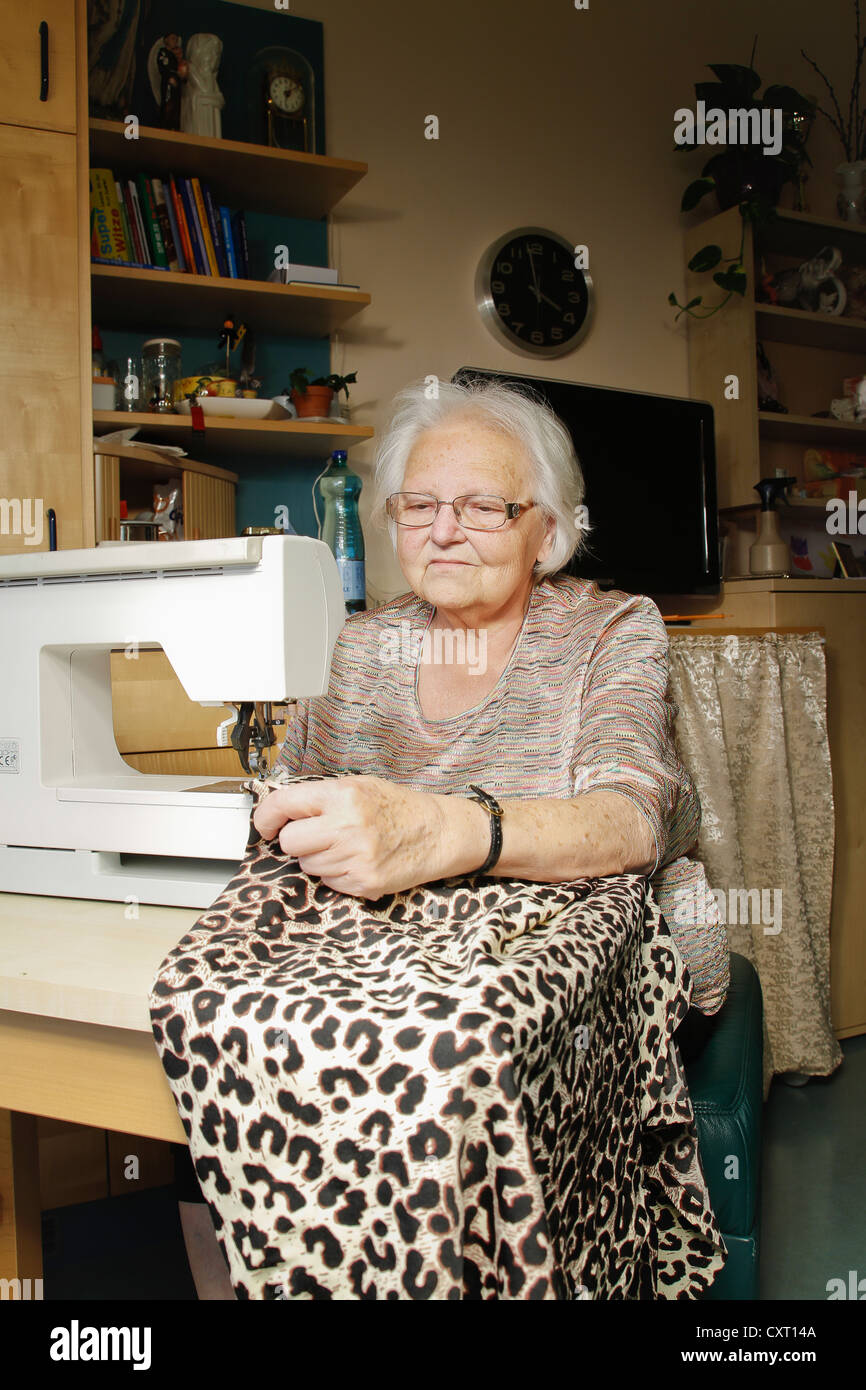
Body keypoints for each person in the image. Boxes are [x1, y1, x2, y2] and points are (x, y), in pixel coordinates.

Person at [172, 374, 729, 1298]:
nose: (442, 529)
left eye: (481, 506)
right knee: (228, 1026)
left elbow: (634, 817)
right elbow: (288, 800)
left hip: (557, 955)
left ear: (546, 530)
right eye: (419, 505)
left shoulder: (610, 632)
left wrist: (445, 830)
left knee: (442, 1062)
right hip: (388, 954)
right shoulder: (359, 648)